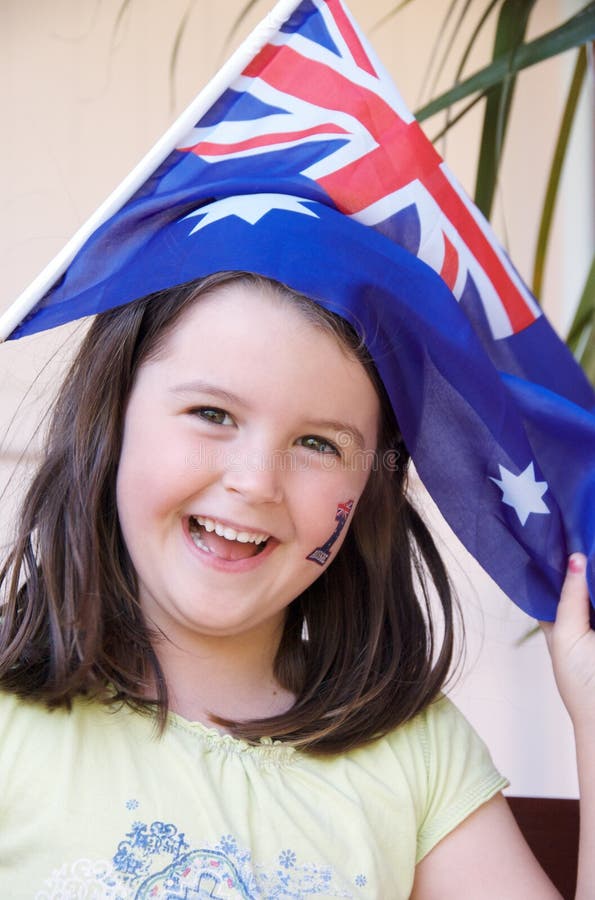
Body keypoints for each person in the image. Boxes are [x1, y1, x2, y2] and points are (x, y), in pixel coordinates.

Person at [0, 266, 594, 899]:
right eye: (212, 413)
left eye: (318, 443)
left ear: (367, 494)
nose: (256, 481)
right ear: (111, 419)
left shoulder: (416, 749)